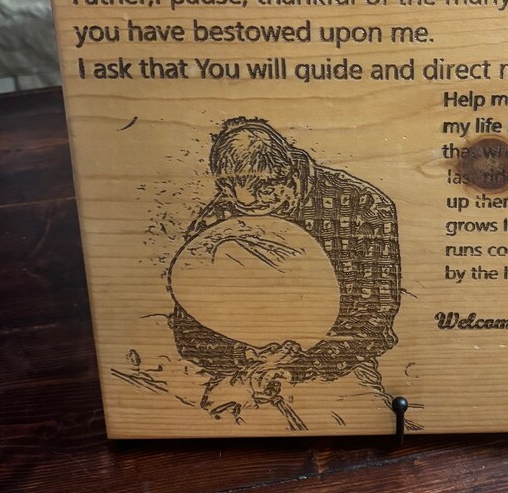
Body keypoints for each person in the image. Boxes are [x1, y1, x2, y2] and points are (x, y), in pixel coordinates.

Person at [169, 117, 401, 415]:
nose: (244, 200)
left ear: (290, 172)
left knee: (348, 413)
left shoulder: (363, 206)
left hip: (337, 368)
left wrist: (299, 367)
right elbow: (190, 331)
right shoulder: (216, 219)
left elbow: (375, 317)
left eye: (263, 188)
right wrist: (244, 356)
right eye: (229, 187)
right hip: (240, 372)